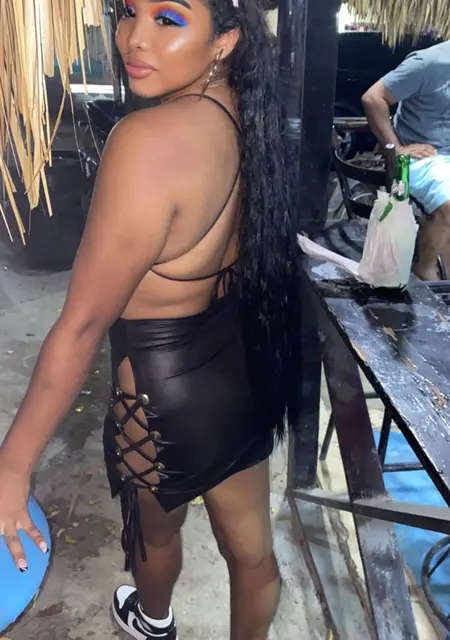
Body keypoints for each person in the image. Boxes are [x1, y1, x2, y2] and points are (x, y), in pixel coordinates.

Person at [0, 2, 302, 640]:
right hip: (240, 367)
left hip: (163, 396)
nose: (134, 38)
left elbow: (82, 326)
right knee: (252, 553)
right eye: (129, 11)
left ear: (225, 39)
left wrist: (13, 465)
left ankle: (153, 619)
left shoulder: (146, 141)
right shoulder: (250, 114)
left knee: (156, 531)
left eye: (169, 18)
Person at [362, 40, 450, 281]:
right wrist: (397, 149)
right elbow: (373, 98)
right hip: (424, 156)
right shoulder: (427, 63)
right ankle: (425, 268)